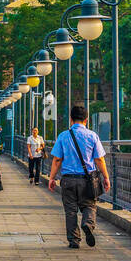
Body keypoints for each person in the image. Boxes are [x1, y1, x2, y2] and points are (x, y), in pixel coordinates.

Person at [46, 105, 111, 249]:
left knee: (70, 211)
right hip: (87, 180)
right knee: (89, 205)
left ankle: (74, 240)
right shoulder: (93, 136)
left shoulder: (63, 136)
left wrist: (51, 178)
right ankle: (87, 223)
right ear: (86, 120)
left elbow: (57, 160)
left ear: (71, 119)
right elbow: (99, 159)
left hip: (68, 180)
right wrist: (106, 177)